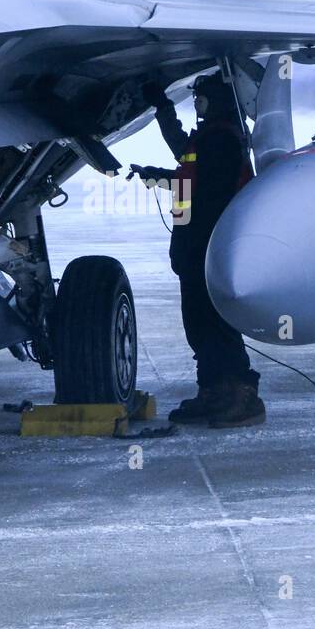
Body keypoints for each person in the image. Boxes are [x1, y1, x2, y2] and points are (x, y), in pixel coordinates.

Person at [129, 74, 265, 428]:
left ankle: (242, 397)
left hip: (207, 244)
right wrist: (162, 108)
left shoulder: (222, 139)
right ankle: (213, 390)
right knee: (200, 323)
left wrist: (163, 178)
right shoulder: (210, 136)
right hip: (195, 246)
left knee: (215, 323)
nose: (198, 102)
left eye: (202, 97)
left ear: (217, 99)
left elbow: (205, 191)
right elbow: (185, 159)